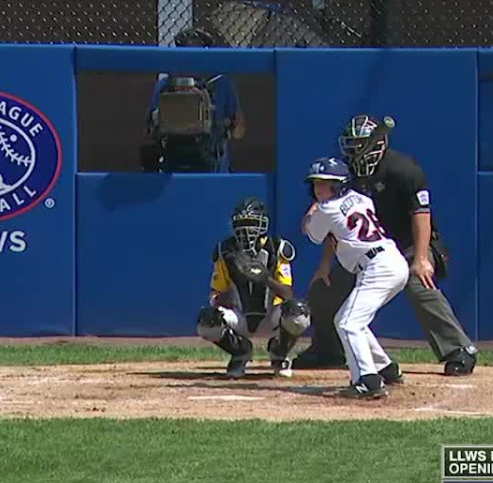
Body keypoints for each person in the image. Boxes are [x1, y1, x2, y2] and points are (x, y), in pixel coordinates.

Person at [294, 114, 478, 376]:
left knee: (417, 281)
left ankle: (458, 349)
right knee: (326, 288)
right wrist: (324, 266)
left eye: (361, 144)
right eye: (352, 145)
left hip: (411, 243)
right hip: (367, 247)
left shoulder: (403, 169)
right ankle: (328, 350)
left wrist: (421, 258)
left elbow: (421, 214)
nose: (356, 151)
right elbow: (337, 229)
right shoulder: (346, 174)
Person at [302, 157, 408, 399]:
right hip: (391, 261)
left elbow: (312, 233)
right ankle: (385, 368)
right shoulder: (363, 199)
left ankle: (367, 381)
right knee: (351, 318)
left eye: (325, 184)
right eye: (316, 184)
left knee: (348, 323)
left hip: (376, 268)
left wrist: (312, 209)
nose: (319, 189)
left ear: (339, 185)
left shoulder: (326, 209)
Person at [197, 197, 310, 378]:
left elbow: (288, 294)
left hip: (271, 316)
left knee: (297, 312)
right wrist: (224, 298)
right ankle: (240, 351)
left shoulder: (277, 247)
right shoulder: (225, 250)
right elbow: (215, 293)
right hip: (240, 315)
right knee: (207, 320)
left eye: (251, 223)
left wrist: (265, 279)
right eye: (242, 224)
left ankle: (279, 352)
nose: (246, 230)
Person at [144, 26, 245, 173]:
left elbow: (239, 129)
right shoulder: (166, 85)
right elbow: (149, 129)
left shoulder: (221, 83)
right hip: (175, 166)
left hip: (210, 166)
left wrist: (224, 128)